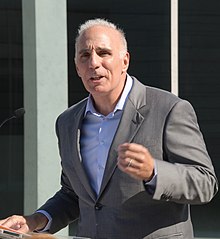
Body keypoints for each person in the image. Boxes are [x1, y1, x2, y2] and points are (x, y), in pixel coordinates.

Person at [0, 18, 218, 239]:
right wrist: (36, 220)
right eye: (85, 55)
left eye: (103, 53)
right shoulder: (67, 122)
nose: (93, 63)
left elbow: (205, 182)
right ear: (77, 67)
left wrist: (154, 172)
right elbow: (74, 194)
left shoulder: (169, 109)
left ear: (125, 61)